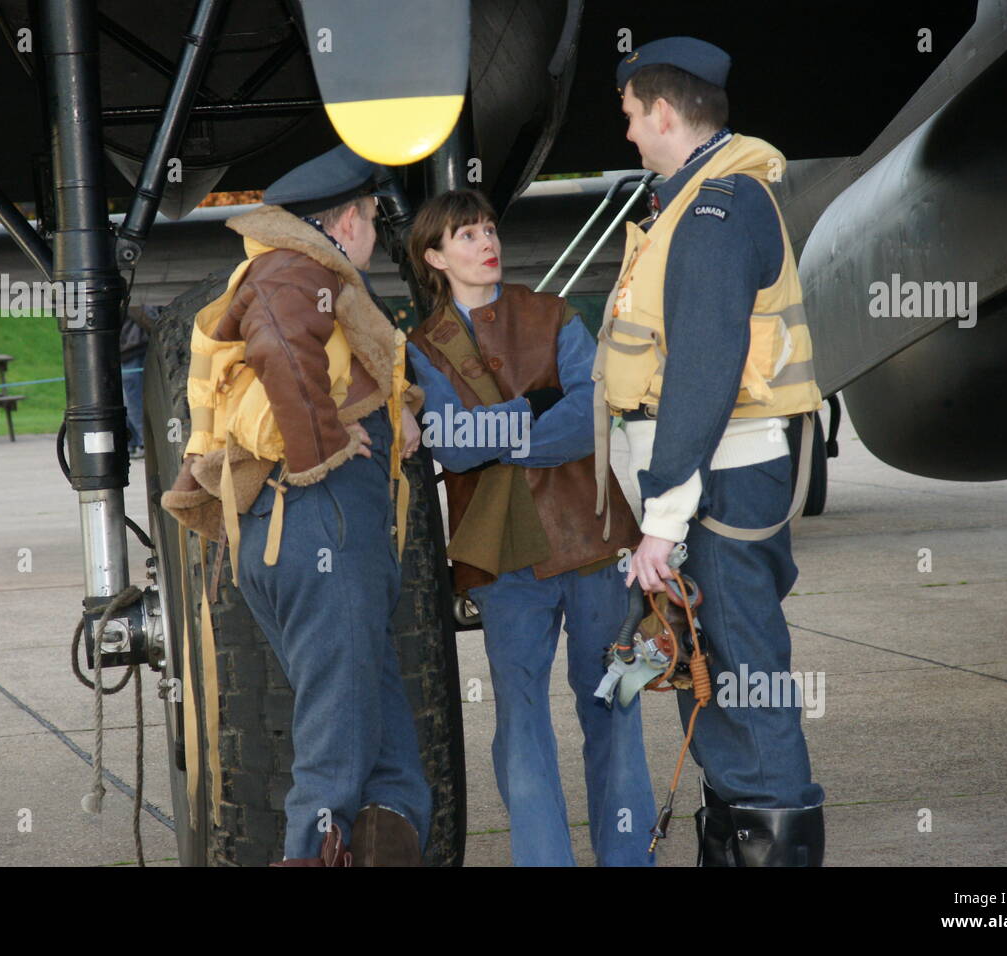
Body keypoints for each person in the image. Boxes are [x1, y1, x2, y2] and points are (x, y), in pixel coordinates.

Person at [161, 144, 432, 866]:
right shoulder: (295, 270)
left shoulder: (292, 271)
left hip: (304, 531)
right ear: (345, 221)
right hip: (320, 524)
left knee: (387, 765)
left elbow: (313, 359)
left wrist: (383, 409)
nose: (378, 232)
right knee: (334, 759)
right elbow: (283, 347)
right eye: (374, 217)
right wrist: (324, 449)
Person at [595, 37, 826, 866]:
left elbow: (702, 371)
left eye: (629, 116)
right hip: (711, 478)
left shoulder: (717, 209)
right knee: (719, 687)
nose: (626, 134)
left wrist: (663, 519)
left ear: (662, 112)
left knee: (749, 694)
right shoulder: (696, 200)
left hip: (722, 478)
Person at [406, 189, 656, 867]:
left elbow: (590, 415)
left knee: (615, 705)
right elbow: (451, 445)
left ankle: (630, 860)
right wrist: (533, 408)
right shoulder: (424, 345)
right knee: (521, 722)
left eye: (488, 229)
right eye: (465, 235)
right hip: (504, 560)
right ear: (435, 256)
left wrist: (503, 432)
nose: (486, 242)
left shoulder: (551, 315)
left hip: (594, 540)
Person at [119, 305, 156, 459]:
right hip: (132, 351)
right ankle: (145, 442)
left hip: (128, 352)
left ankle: (139, 442)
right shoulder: (129, 302)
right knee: (135, 402)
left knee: (132, 401)